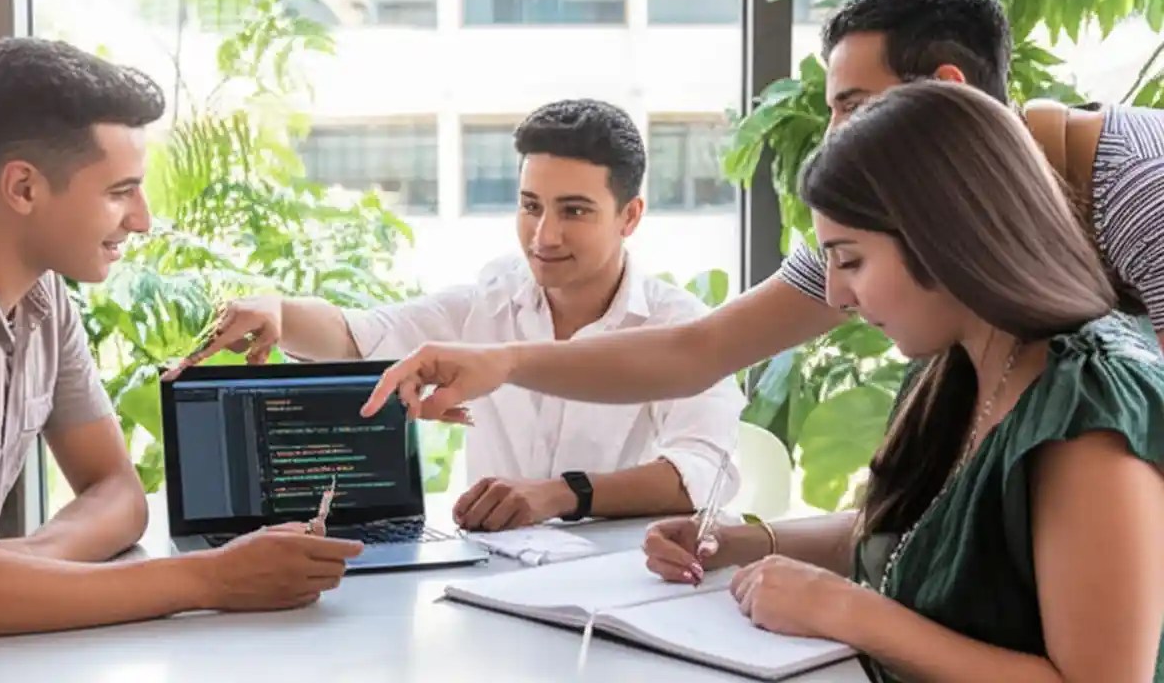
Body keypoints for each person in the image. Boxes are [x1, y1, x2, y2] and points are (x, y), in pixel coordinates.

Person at [437, 81, 1164, 679]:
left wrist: (848, 611)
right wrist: (741, 537)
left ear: (944, 235)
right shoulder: (965, 363)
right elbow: (921, 534)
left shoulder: (1089, 406)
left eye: (850, 261)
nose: (839, 299)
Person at [352, 0, 1164, 445]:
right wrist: (508, 362)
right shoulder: (892, 226)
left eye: (853, 106)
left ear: (944, 93)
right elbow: (701, 349)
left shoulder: (1137, 187)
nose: (834, 137)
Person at [0, 37, 361, 643]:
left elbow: (119, 495)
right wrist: (210, 580)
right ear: (24, 188)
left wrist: (11, 567)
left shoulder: (42, 297)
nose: (143, 219)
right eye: (119, 192)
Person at [165, 99, 743, 532]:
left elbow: (701, 474)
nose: (544, 236)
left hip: (622, 586)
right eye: (530, 206)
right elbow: (358, 337)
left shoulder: (681, 328)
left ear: (630, 216)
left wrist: (561, 494)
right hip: (492, 576)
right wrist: (280, 311)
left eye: (574, 211)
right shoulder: (489, 300)